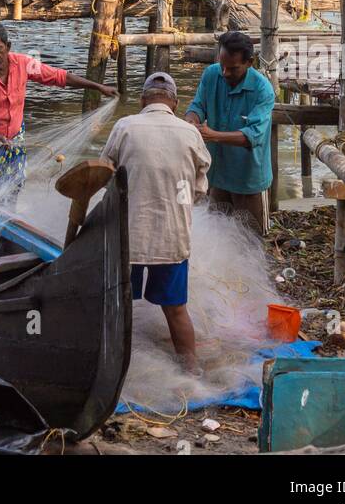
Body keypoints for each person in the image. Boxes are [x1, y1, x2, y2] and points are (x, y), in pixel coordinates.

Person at [101, 72, 210, 370]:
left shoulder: (125, 127)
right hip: (173, 238)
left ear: (141, 101)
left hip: (128, 237)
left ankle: (111, 368)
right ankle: (191, 370)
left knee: (118, 306)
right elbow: (198, 190)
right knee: (175, 310)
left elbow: (104, 174)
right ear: (174, 103)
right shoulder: (191, 134)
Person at [0, 23, 116, 198]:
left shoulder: (23, 63)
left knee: (13, 184)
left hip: (14, 135)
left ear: (8, 46)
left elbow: (58, 76)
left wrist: (97, 86)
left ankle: (7, 214)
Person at [184, 30, 275, 235]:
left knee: (251, 239)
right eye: (222, 65)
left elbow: (253, 135)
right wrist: (191, 120)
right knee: (216, 234)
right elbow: (198, 105)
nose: (224, 73)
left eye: (232, 69)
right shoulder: (211, 74)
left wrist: (212, 135)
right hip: (216, 174)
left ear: (249, 63)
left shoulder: (263, 91)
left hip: (248, 178)